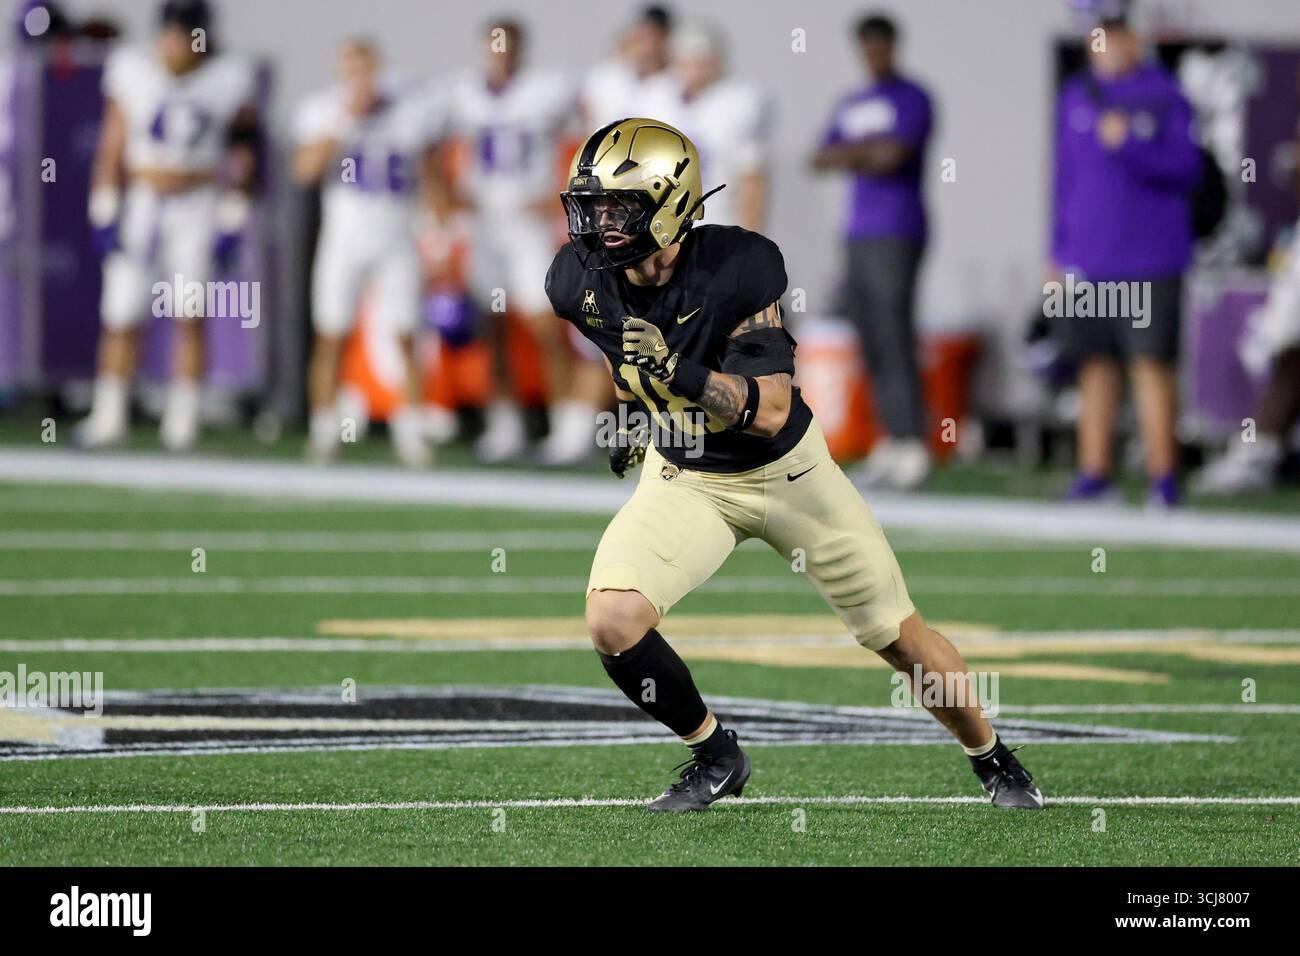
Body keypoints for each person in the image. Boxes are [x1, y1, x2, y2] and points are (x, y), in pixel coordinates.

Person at [545, 118, 1042, 812]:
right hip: (685, 475)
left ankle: (993, 756)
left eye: (620, 207)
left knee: (899, 639)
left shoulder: (739, 267)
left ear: (673, 205)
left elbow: (771, 409)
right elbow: (622, 357)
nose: (602, 223)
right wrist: (639, 408)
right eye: (593, 205)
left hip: (786, 475)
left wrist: (678, 375)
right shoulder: (577, 280)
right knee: (613, 620)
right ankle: (716, 755)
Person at [75, 0, 258, 452]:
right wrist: (104, 207)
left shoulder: (228, 78)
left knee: (189, 314)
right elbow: (112, 143)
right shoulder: (133, 70)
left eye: (188, 35)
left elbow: (244, 154)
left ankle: (182, 421)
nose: (179, 45)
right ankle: (109, 416)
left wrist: (233, 216)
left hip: (197, 204)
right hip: (142, 203)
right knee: (120, 313)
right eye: (173, 34)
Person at [1051, 11, 1201, 507]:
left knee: (1150, 365)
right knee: (1095, 366)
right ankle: (1095, 473)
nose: (1109, 47)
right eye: (1099, 39)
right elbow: (1064, 183)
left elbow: (1189, 167)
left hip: (1151, 259)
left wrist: (1133, 144)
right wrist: (1058, 252)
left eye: (1117, 37)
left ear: (1133, 41)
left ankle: (1164, 479)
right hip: (1090, 261)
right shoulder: (1074, 97)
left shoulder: (1165, 94)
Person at [440, 18, 602, 465]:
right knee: (490, 326)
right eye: (493, 47)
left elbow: (596, 132)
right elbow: (430, 144)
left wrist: (566, 192)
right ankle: (504, 422)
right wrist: (446, 196)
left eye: (507, 47)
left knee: (545, 323)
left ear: (520, 50)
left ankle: (568, 423)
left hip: (526, 225)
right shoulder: (461, 93)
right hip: (483, 226)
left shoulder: (548, 90)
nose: (500, 55)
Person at [292, 38, 441, 468]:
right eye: (353, 70)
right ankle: (324, 431)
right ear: (341, 72)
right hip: (344, 241)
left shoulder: (409, 112)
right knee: (331, 334)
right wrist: (342, 122)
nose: (362, 79)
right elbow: (303, 171)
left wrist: (436, 232)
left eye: (367, 69)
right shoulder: (323, 110)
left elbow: (429, 177)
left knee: (406, 335)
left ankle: (410, 429)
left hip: (396, 238)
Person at [811, 13, 934, 491]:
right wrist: (866, 151)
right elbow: (818, 157)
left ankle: (914, 441)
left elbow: (895, 156)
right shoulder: (853, 101)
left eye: (880, 46)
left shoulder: (912, 97)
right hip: (858, 231)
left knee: (895, 330)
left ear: (892, 46)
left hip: (898, 229)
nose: (873, 55)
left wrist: (853, 152)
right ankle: (891, 438)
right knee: (869, 335)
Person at [640, 19, 770, 231]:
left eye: (699, 59)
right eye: (685, 59)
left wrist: (750, 241)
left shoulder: (740, 102)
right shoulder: (653, 97)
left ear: (716, 60)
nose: (692, 68)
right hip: (659, 230)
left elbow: (751, 180)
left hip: (716, 228)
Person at [581, 4, 675, 128]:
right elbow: (588, 112)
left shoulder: (676, 82)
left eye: (652, 35)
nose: (645, 43)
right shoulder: (607, 75)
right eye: (641, 34)